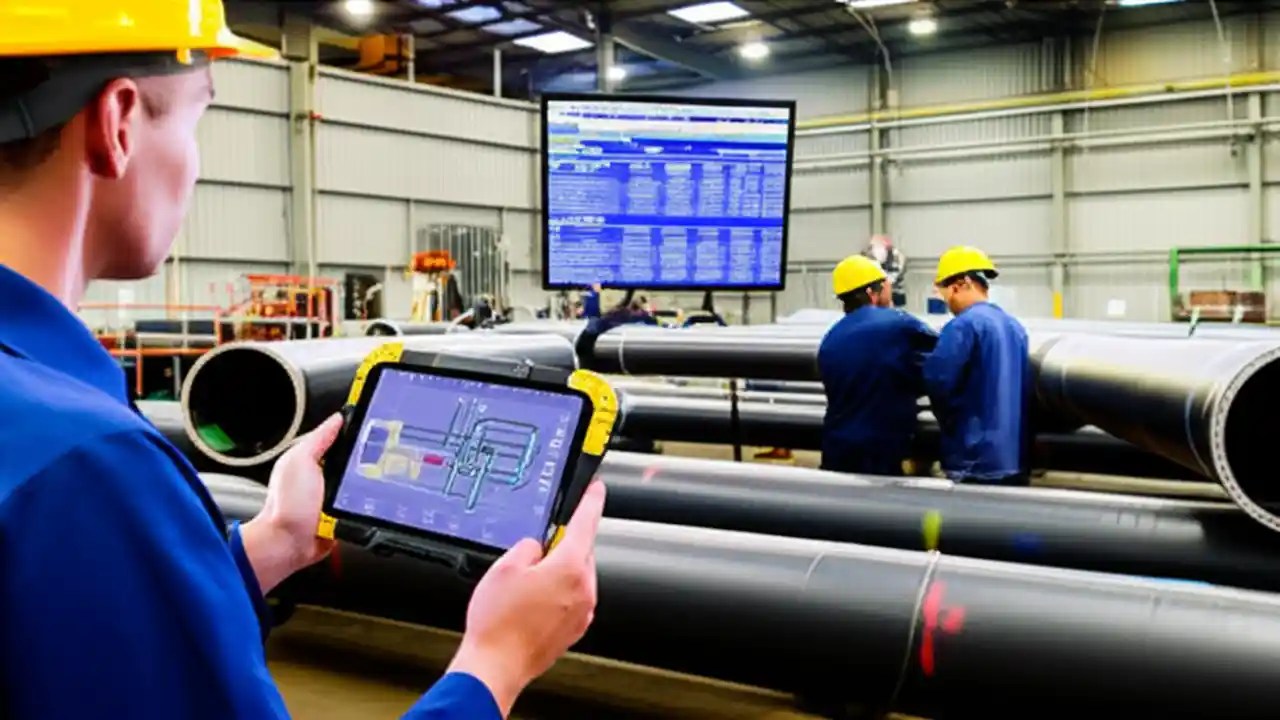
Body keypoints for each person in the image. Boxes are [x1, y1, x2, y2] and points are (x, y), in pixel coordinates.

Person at [0, 3, 603, 718]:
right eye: (198, 120)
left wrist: (268, 547)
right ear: (119, 122)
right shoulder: (89, 470)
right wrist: (494, 662)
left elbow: (68, 633)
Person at [817, 255, 938, 476]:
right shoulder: (899, 324)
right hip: (880, 451)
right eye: (886, 286)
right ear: (873, 293)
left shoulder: (830, 339)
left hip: (836, 447)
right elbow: (943, 360)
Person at [922, 246, 1031, 485]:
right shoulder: (1015, 327)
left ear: (961, 285)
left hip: (974, 458)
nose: (948, 303)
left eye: (947, 293)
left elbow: (939, 381)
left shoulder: (963, 326)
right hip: (1014, 456)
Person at [863, 234, 907, 308]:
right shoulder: (869, 256)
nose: (875, 249)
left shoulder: (897, 256)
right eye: (873, 246)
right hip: (877, 297)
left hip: (896, 295)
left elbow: (891, 278)